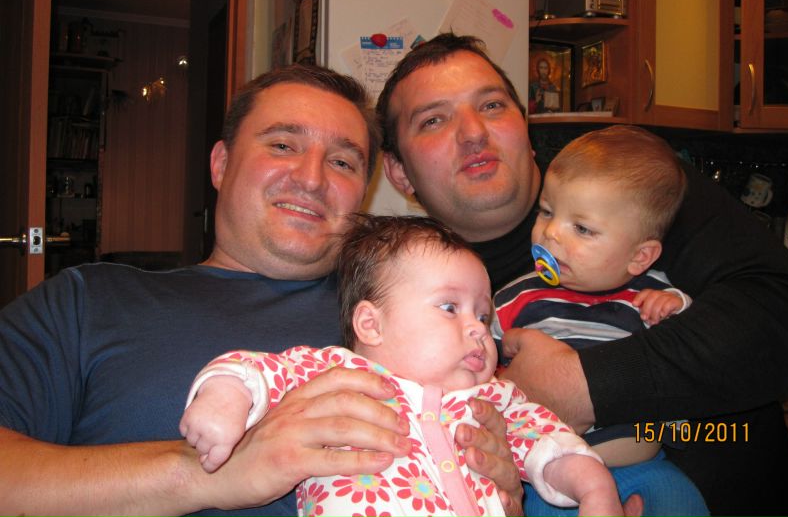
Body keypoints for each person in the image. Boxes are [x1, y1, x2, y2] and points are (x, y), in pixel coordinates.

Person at [0, 64, 524, 516]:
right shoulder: (89, 301)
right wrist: (203, 473)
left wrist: (505, 490)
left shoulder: (434, 314)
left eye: (342, 162)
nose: (312, 178)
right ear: (221, 164)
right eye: (282, 145)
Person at [375, 33, 788, 516]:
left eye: (492, 105)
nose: (473, 132)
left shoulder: (628, 181)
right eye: (433, 120)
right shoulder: (400, 284)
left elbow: (787, 309)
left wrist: (584, 384)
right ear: (399, 172)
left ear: (525, 128)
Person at [181, 214, 628, 517]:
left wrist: (593, 486)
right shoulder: (335, 373)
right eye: (450, 307)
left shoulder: (495, 398)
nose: (478, 329)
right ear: (371, 325)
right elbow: (257, 370)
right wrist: (224, 401)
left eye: (483, 315)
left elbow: (548, 443)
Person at [492, 126, 708, 515]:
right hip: (548, 481)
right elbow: (471, 361)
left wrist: (678, 305)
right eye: (547, 211)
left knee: (683, 502)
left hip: (642, 468)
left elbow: (701, 353)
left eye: (582, 228)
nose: (551, 233)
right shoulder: (513, 298)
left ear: (640, 256)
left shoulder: (653, 299)